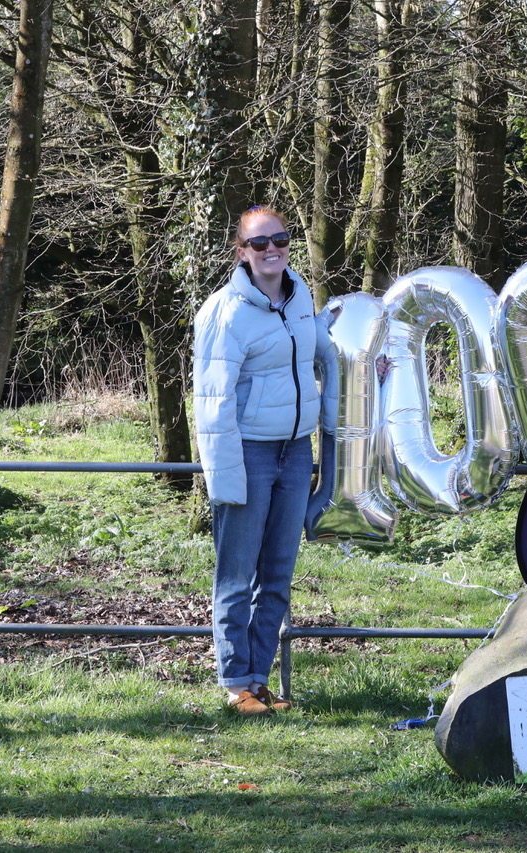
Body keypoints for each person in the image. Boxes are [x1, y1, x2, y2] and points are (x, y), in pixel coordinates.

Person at [193, 205, 339, 715]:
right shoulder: (225, 312)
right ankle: (236, 685)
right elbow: (212, 402)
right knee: (236, 576)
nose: (271, 249)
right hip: (249, 453)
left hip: (295, 452)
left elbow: (320, 350)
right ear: (242, 252)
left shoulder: (299, 299)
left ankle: (259, 682)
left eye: (279, 238)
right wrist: (225, 476)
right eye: (259, 243)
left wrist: (371, 364)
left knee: (276, 576)